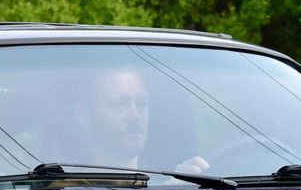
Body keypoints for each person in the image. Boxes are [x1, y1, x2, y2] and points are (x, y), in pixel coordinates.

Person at [73, 68, 210, 175]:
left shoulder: (175, 187)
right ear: (83, 114)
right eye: (119, 104)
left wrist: (180, 189)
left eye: (141, 104)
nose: (135, 116)